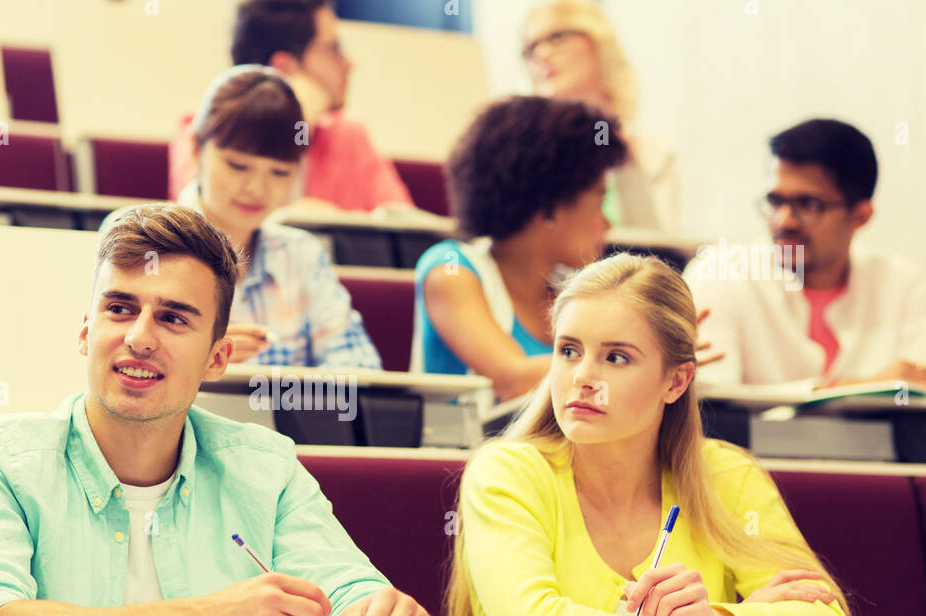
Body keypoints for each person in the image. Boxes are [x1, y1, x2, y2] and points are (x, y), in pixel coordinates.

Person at [0, 204, 439, 616]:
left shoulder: (265, 468)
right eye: (119, 308)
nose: (139, 338)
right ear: (86, 329)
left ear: (217, 358)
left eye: (173, 319)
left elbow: (345, 591)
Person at [419, 252, 849, 616]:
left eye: (616, 358)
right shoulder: (507, 472)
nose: (583, 378)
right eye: (568, 351)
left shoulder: (728, 475)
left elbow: (825, 614)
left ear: (676, 382)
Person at [687, 119, 926, 395]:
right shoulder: (720, 272)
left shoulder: (900, 284)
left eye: (808, 204)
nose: (784, 220)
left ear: (861, 216)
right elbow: (711, 403)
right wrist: (868, 388)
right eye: (775, 201)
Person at [413, 96, 625, 400]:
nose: (607, 224)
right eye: (597, 203)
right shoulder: (450, 269)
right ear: (550, 207)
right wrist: (637, 364)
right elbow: (514, 379)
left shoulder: (575, 290)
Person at [173, 64, 382, 369]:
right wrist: (194, 354)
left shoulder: (301, 256)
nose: (257, 188)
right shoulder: (146, 247)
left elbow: (360, 369)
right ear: (195, 149)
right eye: (238, 166)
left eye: (280, 172)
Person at [169, 0, 412, 213]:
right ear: (284, 67)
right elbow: (201, 219)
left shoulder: (350, 134)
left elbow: (409, 230)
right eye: (333, 49)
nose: (349, 63)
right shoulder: (203, 125)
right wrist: (294, 120)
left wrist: (335, 222)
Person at [521, 0, 677, 231]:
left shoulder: (651, 157)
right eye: (531, 48)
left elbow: (657, 254)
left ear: (597, 43)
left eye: (557, 36)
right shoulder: (523, 151)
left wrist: (629, 170)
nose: (542, 54)